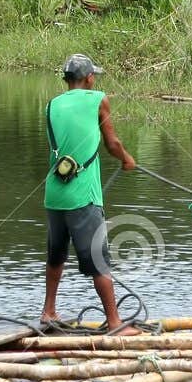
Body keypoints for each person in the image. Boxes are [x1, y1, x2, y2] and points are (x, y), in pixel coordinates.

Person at [41, 54, 140, 334]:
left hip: (54, 193)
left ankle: (48, 312)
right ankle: (115, 323)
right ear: (90, 78)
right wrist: (127, 159)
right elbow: (112, 142)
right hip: (82, 195)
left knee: (56, 255)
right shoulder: (98, 99)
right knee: (98, 260)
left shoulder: (51, 106)